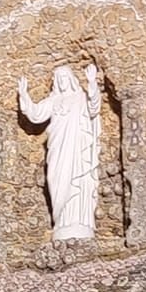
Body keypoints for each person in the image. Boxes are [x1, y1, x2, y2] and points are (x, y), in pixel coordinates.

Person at [18, 63, 102, 241]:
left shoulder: (81, 97)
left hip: (77, 147)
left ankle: (80, 222)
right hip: (58, 147)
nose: (62, 81)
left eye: (65, 78)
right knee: (56, 179)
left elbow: (94, 108)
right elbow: (36, 114)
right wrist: (24, 94)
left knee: (77, 180)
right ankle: (61, 221)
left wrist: (92, 82)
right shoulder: (53, 101)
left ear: (71, 79)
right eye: (58, 79)